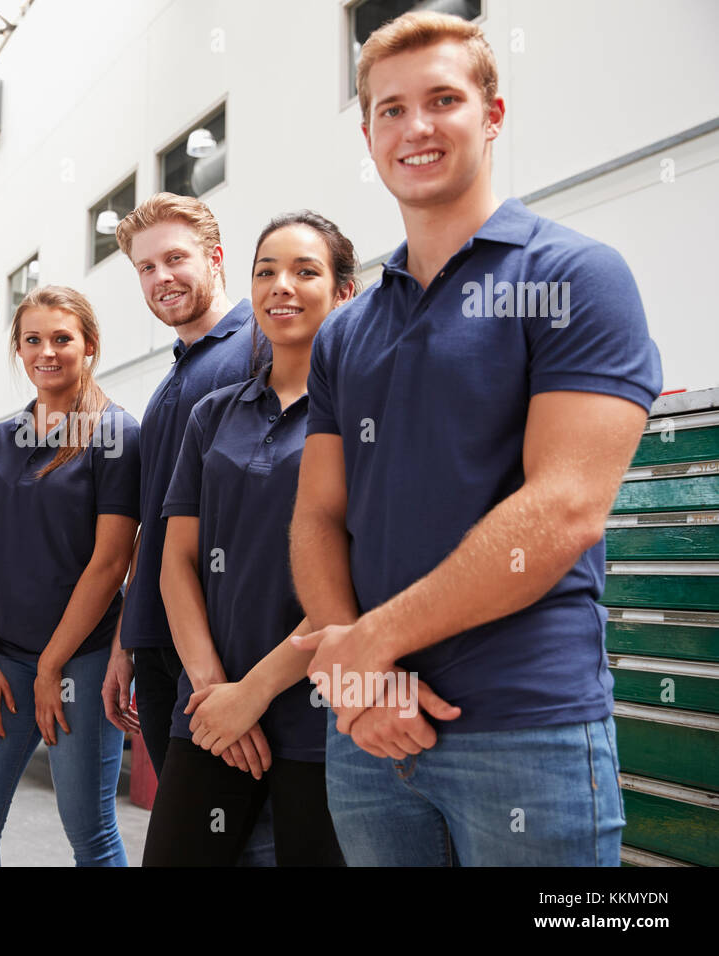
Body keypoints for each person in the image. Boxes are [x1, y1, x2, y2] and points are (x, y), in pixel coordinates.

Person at [202, 11, 660, 866]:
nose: (414, 127)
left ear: (492, 114)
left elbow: (563, 512)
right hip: (368, 738)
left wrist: (364, 650)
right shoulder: (349, 332)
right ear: (370, 135)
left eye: (442, 100)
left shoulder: (573, 278)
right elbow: (317, 519)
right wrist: (360, 681)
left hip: (524, 731)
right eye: (389, 109)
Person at [142, 213, 355, 867]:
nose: (280, 286)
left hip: (320, 718)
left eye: (304, 271)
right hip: (208, 711)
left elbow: (364, 585)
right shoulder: (214, 415)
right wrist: (213, 691)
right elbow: (175, 559)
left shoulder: (361, 415)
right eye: (266, 271)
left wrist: (255, 693)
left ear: (344, 292)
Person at [0, 286, 140, 867]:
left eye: (63, 338)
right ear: (18, 348)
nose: (47, 352)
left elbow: (111, 563)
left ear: (90, 346)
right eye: (33, 339)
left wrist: (53, 665)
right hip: (4, 660)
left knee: (89, 832)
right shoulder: (0, 443)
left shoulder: (117, 435)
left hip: (81, 661)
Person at [105, 193, 257, 780]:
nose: (161, 278)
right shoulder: (169, 382)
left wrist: (220, 667)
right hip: (158, 642)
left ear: (215, 258)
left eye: (175, 259)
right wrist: (127, 639)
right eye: (146, 268)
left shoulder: (257, 349)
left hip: (224, 646)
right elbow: (152, 523)